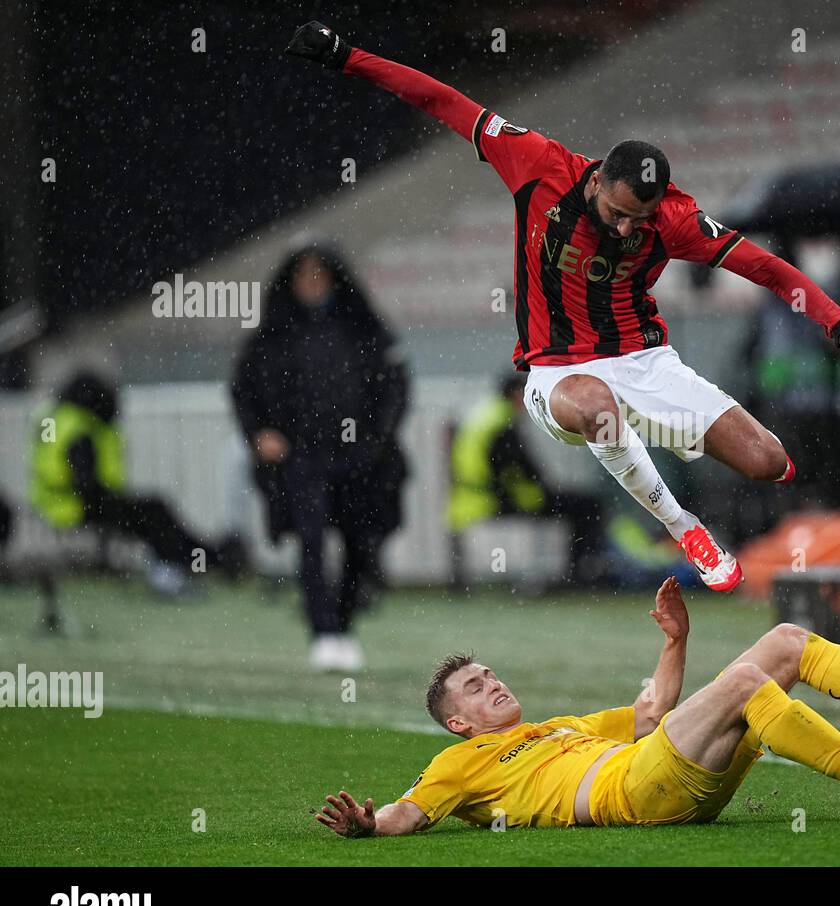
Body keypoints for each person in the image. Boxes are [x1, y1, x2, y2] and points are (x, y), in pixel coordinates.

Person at [284, 21, 840, 594]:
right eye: (619, 212)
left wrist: (838, 321)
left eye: (640, 218)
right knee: (599, 407)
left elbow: (760, 265)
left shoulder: (674, 219)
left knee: (767, 461)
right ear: (597, 180)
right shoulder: (539, 165)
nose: (629, 228)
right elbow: (442, 100)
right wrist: (347, 57)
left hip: (646, 364)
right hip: (558, 374)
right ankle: (687, 531)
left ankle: (664, 430)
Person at [314, 576, 840, 835]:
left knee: (786, 642)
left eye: (489, 672)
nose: (492, 682)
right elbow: (407, 814)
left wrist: (676, 641)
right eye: (474, 686)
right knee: (747, 687)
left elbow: (652, 712)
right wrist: (366, 827)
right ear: (459, 722)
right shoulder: (459, 763)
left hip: (659, 770)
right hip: (634, 796)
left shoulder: (560, 727)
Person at [232, 243, 410, 672]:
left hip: (359, 458)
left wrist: (377, 439)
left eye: (320, 275)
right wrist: (260, 435)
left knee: (359, 542)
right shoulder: (271, 336)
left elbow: (395, 389)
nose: (312, 284)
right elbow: (244, 391)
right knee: (311, 541)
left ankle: (344, 623)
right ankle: (323, 629)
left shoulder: (365, 330)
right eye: (304, 276)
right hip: (301, 457)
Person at [29, 370, 243, 585]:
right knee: (154, 514)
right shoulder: (80, 430)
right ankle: (205, 560)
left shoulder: (56, 419)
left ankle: (202, 557)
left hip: (53, 505)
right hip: (76, 508)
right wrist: (114, 501)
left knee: (151, 513)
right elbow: (86, 484)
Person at [447, 373, 608, 586]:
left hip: (467, 502)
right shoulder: (502, 425)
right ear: (516, 395)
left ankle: (577, 572)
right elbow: (517, 471)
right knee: (588, 506)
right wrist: (545, 489)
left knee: (577, 503)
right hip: (493, 500)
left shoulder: (486, 415)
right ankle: (580, 574)